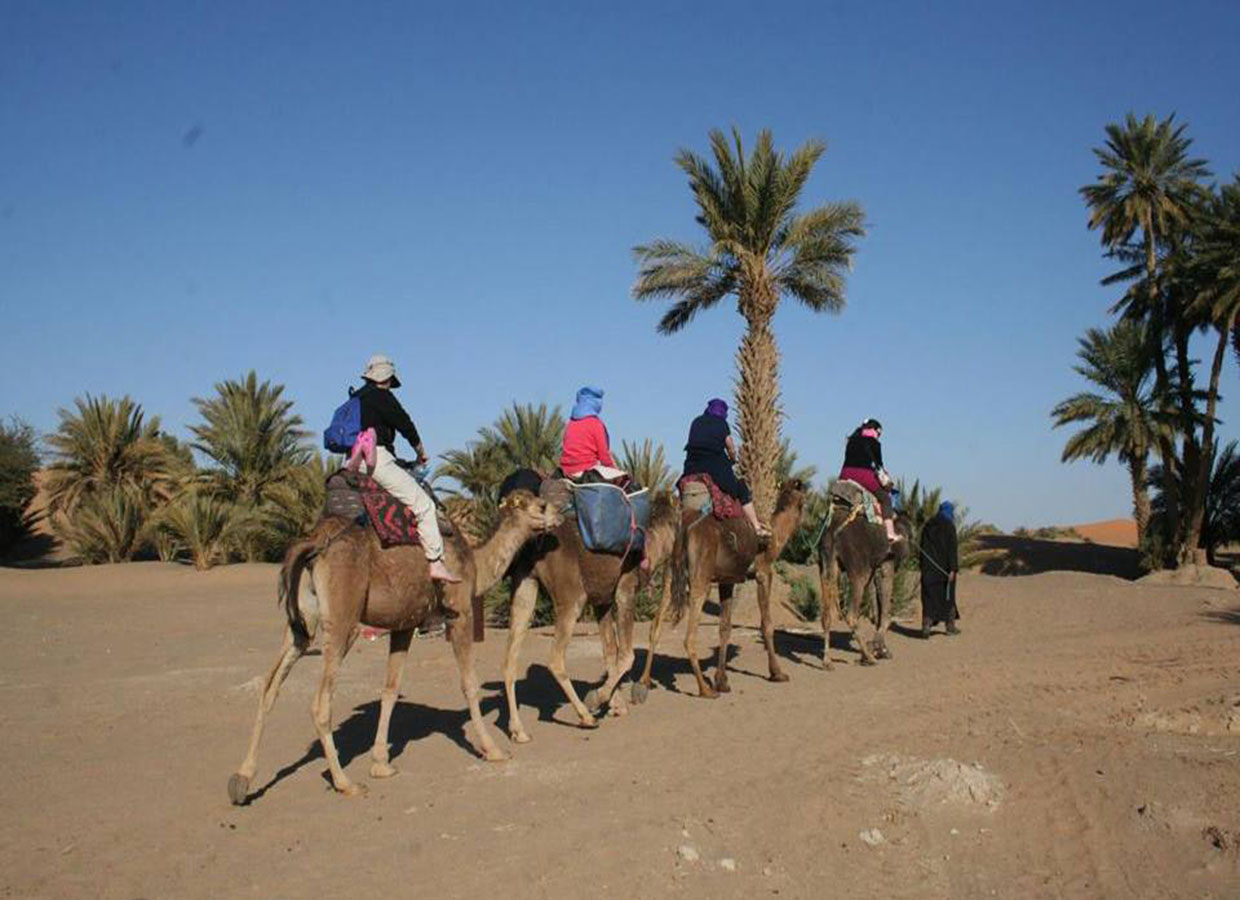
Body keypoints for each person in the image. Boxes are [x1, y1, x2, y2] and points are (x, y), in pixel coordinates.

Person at [352, 354, 459, 583]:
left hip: (352, 458)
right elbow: (405, 425)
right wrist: (420, 452)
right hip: (376, 458)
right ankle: (435, 562)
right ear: (387, 378)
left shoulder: (356, 398)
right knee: (425, 506)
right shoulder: (383, 397)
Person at [682, 398, 769, 536]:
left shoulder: (696, 422)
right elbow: (730, 446)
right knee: (741, 488)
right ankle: (757, 527)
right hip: (714, 471)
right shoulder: (721, 424)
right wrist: (733, 458)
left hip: (691, 469)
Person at [839, 418, 902, 543]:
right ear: (875, 430)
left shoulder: (852, 440)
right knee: (885, 499)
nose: (878, 436)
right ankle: (890, 533)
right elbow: (879, 466)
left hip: (845, 474)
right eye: (879, 433)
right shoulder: (874, 442)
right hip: (863, 475)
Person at [559, 386, 627, 482]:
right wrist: (616, 473)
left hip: (566, 471)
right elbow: (604, 456)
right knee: (625, 480)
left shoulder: (570, 423)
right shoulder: (596, 424)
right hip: (586, 471)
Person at [919, 501, 959, 637]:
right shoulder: (949, 526)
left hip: (928, 569)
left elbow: (922, 547)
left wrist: (922, 566)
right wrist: (953, 568)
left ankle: (926, 625)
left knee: (929, 598)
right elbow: (952, 549)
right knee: (948, 598)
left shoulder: (928, 525)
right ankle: (950, 626)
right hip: (945, 571)